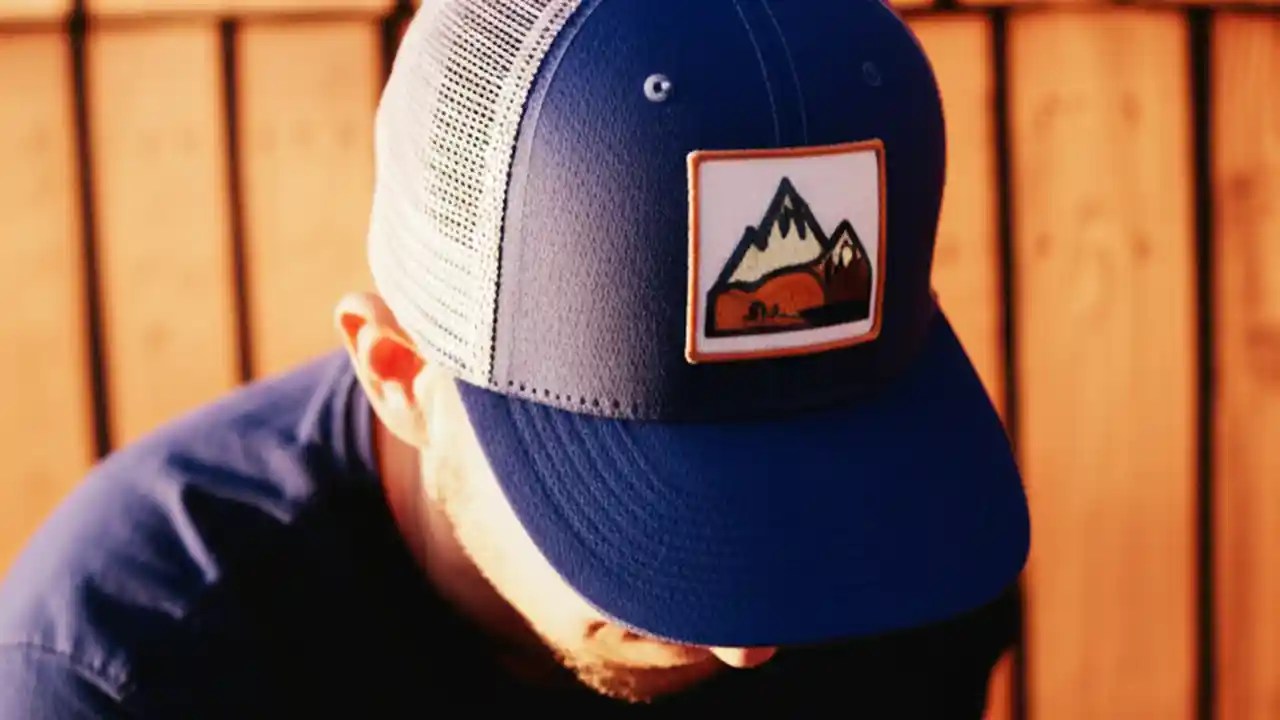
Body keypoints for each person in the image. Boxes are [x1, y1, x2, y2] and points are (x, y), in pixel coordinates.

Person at [0, 0, 1030, 716]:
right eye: (646, 516)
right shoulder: (129, 671)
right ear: (399, 372)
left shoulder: (914, 570)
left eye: (811, 483)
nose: (746, 644)